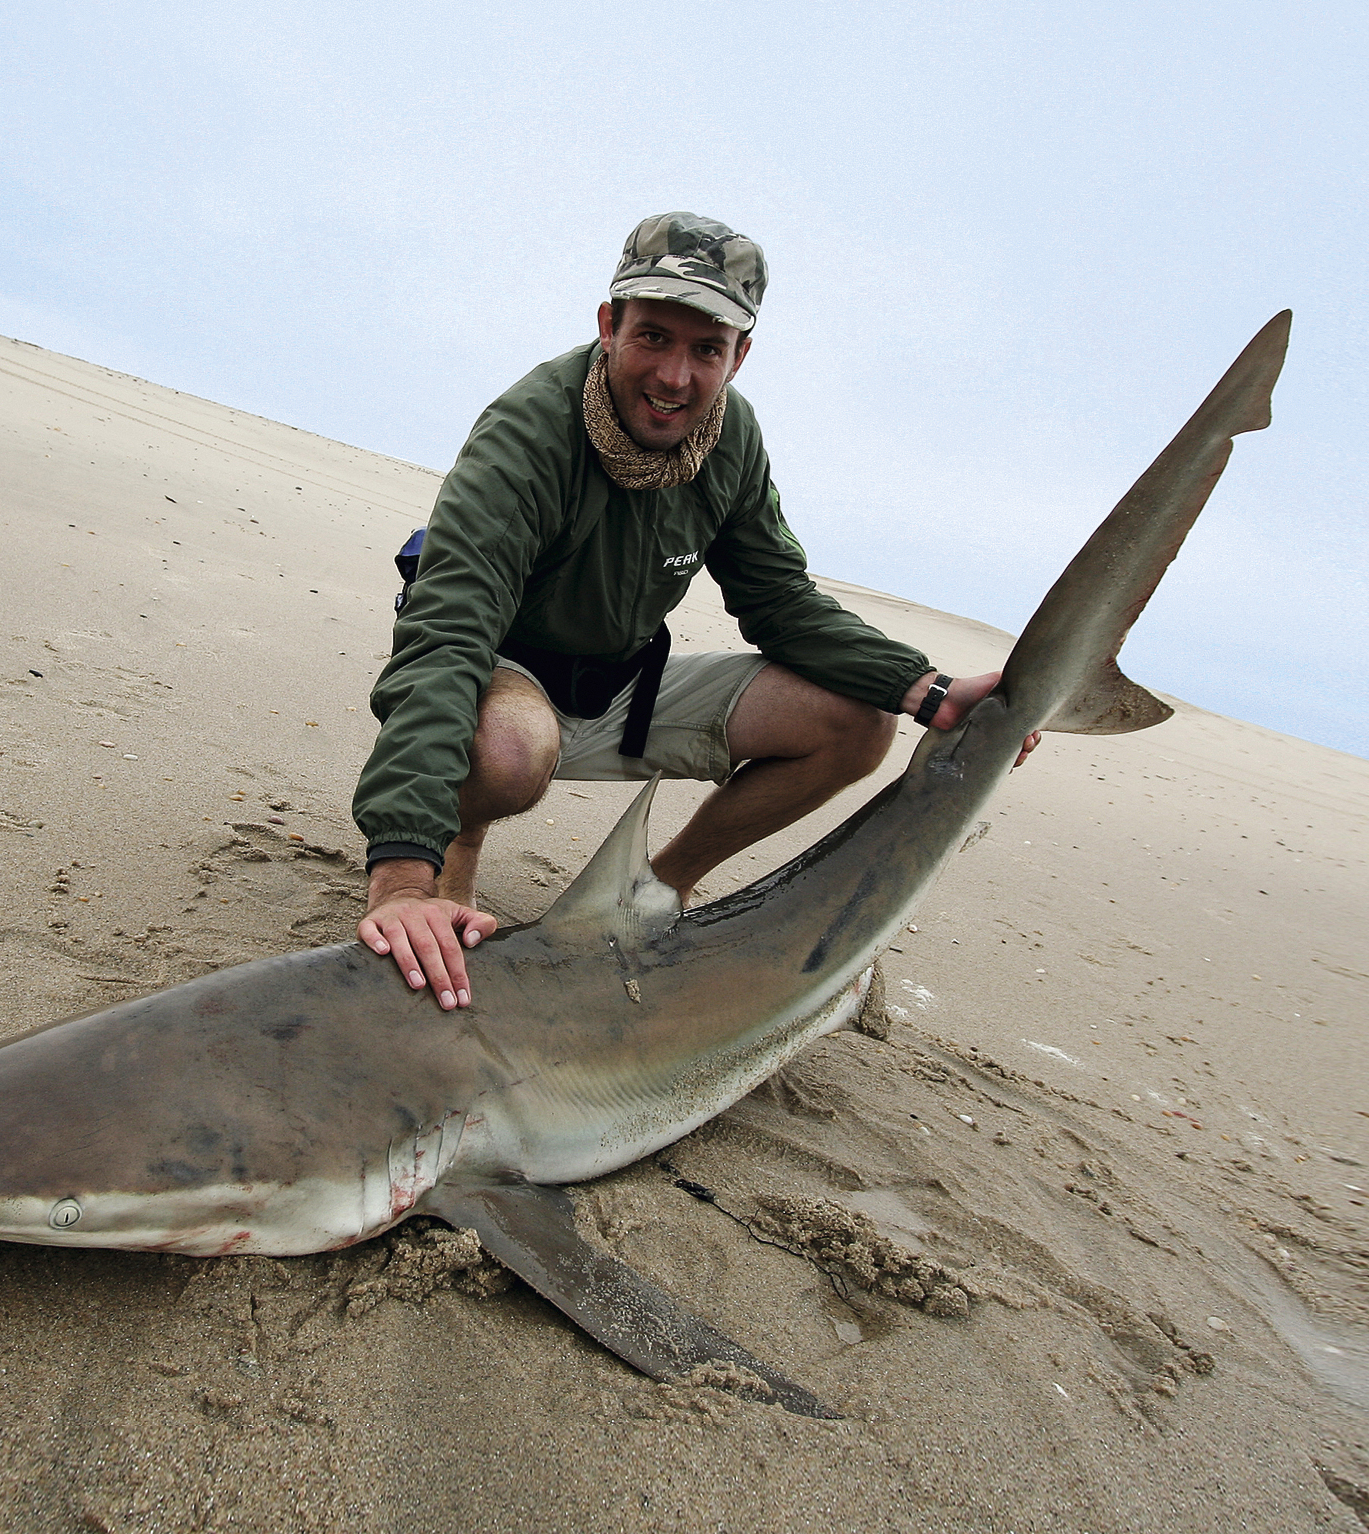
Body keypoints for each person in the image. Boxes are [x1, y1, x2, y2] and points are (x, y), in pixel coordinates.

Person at [353, 212, 1033, 1012]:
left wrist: (923, 688)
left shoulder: (729, 439)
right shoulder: (529, 430)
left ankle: (651, 898)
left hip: (620, 689)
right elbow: (446, 636)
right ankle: (455, 854)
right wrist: (401, 873)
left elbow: (778, 600)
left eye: (706, 349)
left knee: (856, 722)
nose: (675, 377)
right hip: (503, 684)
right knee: (504, 747)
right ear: (609, 326)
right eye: (653, 337)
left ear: (739, 356)